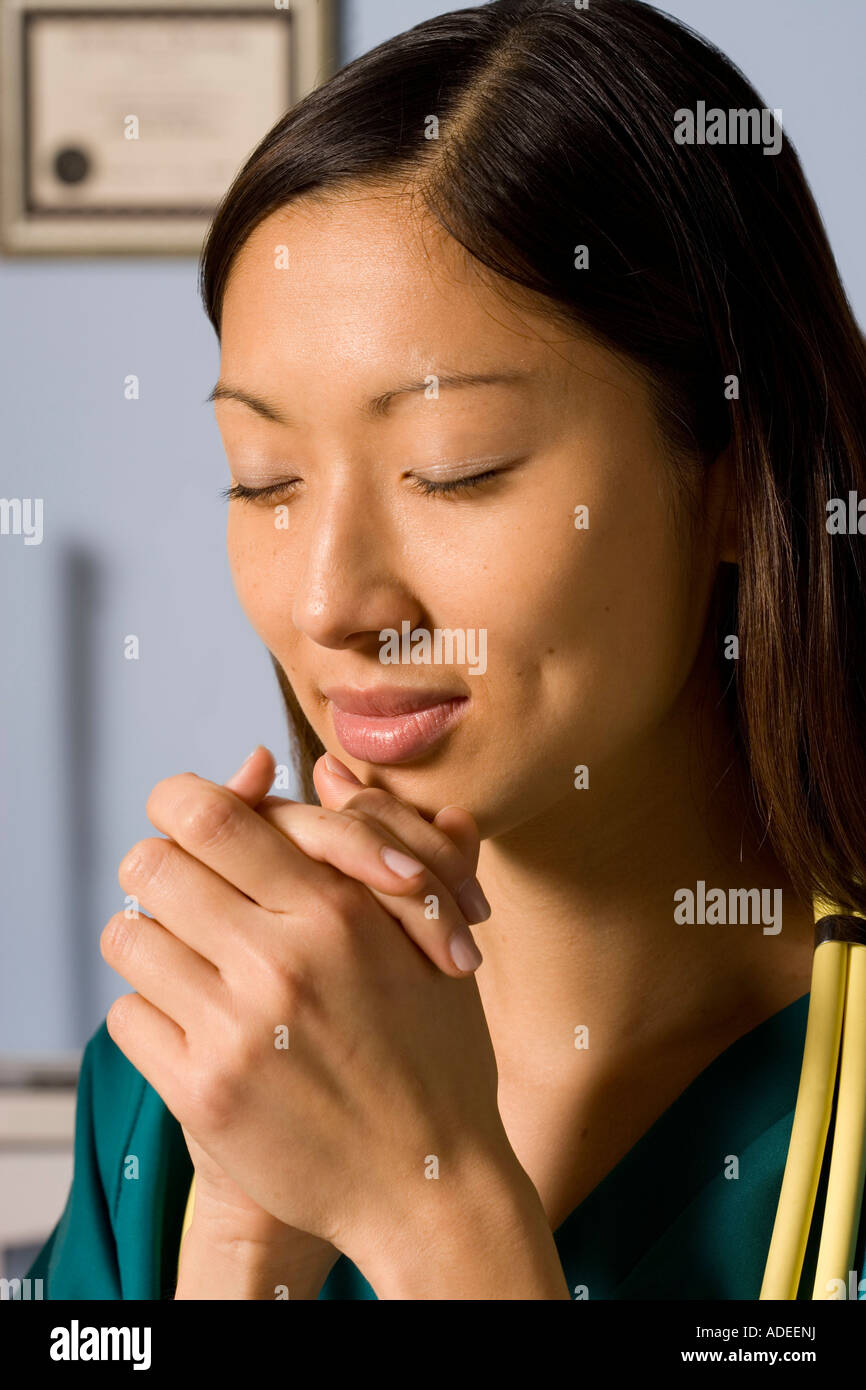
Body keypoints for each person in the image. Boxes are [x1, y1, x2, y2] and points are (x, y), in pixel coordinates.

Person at [28, 0, 866, 1299]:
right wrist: (241, 1251)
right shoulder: (178, 1079)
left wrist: (437, 1214)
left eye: (449, 470)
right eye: (262, 479)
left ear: (732, 482)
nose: (326, 600)